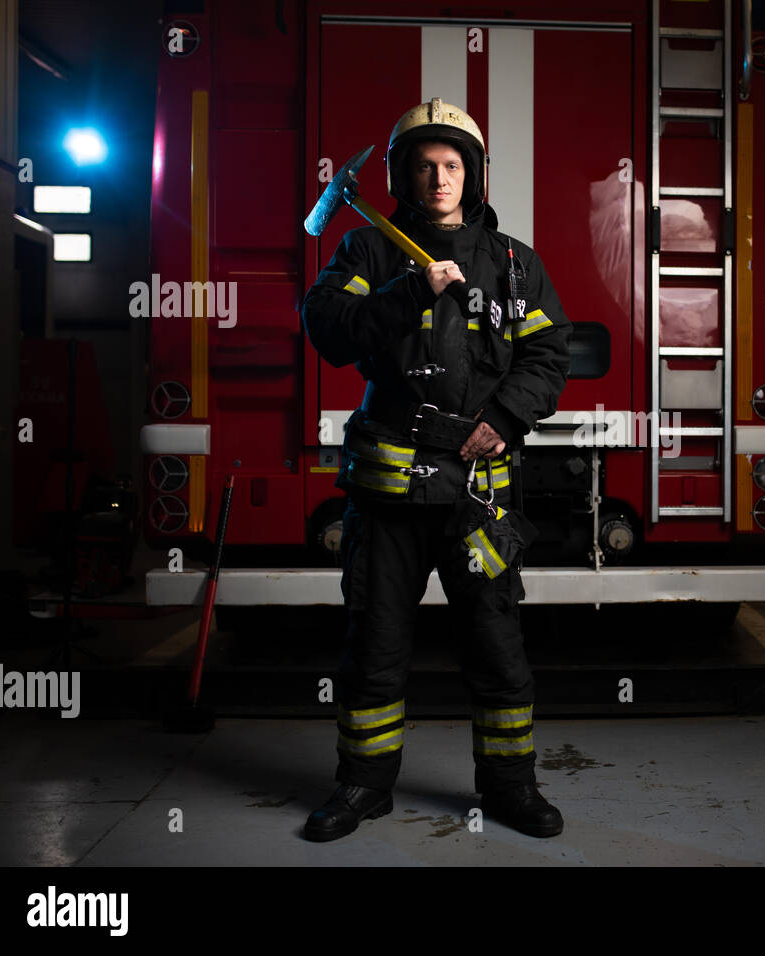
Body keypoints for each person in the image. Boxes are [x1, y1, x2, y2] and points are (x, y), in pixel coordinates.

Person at [299, 98, 571, 841]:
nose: (438, 178)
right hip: (387, 499)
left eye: (451, 165)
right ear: (400, 177)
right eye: (423, 166)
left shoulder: (515, 263)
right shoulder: (370, 255)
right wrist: (410, 290)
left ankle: (512, 787)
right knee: (375, 646)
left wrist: (507, 417)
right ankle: (362, 786)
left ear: (473, 174)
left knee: (497, 649)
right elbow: (327, 329)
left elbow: (550, 354)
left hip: (478, 498)